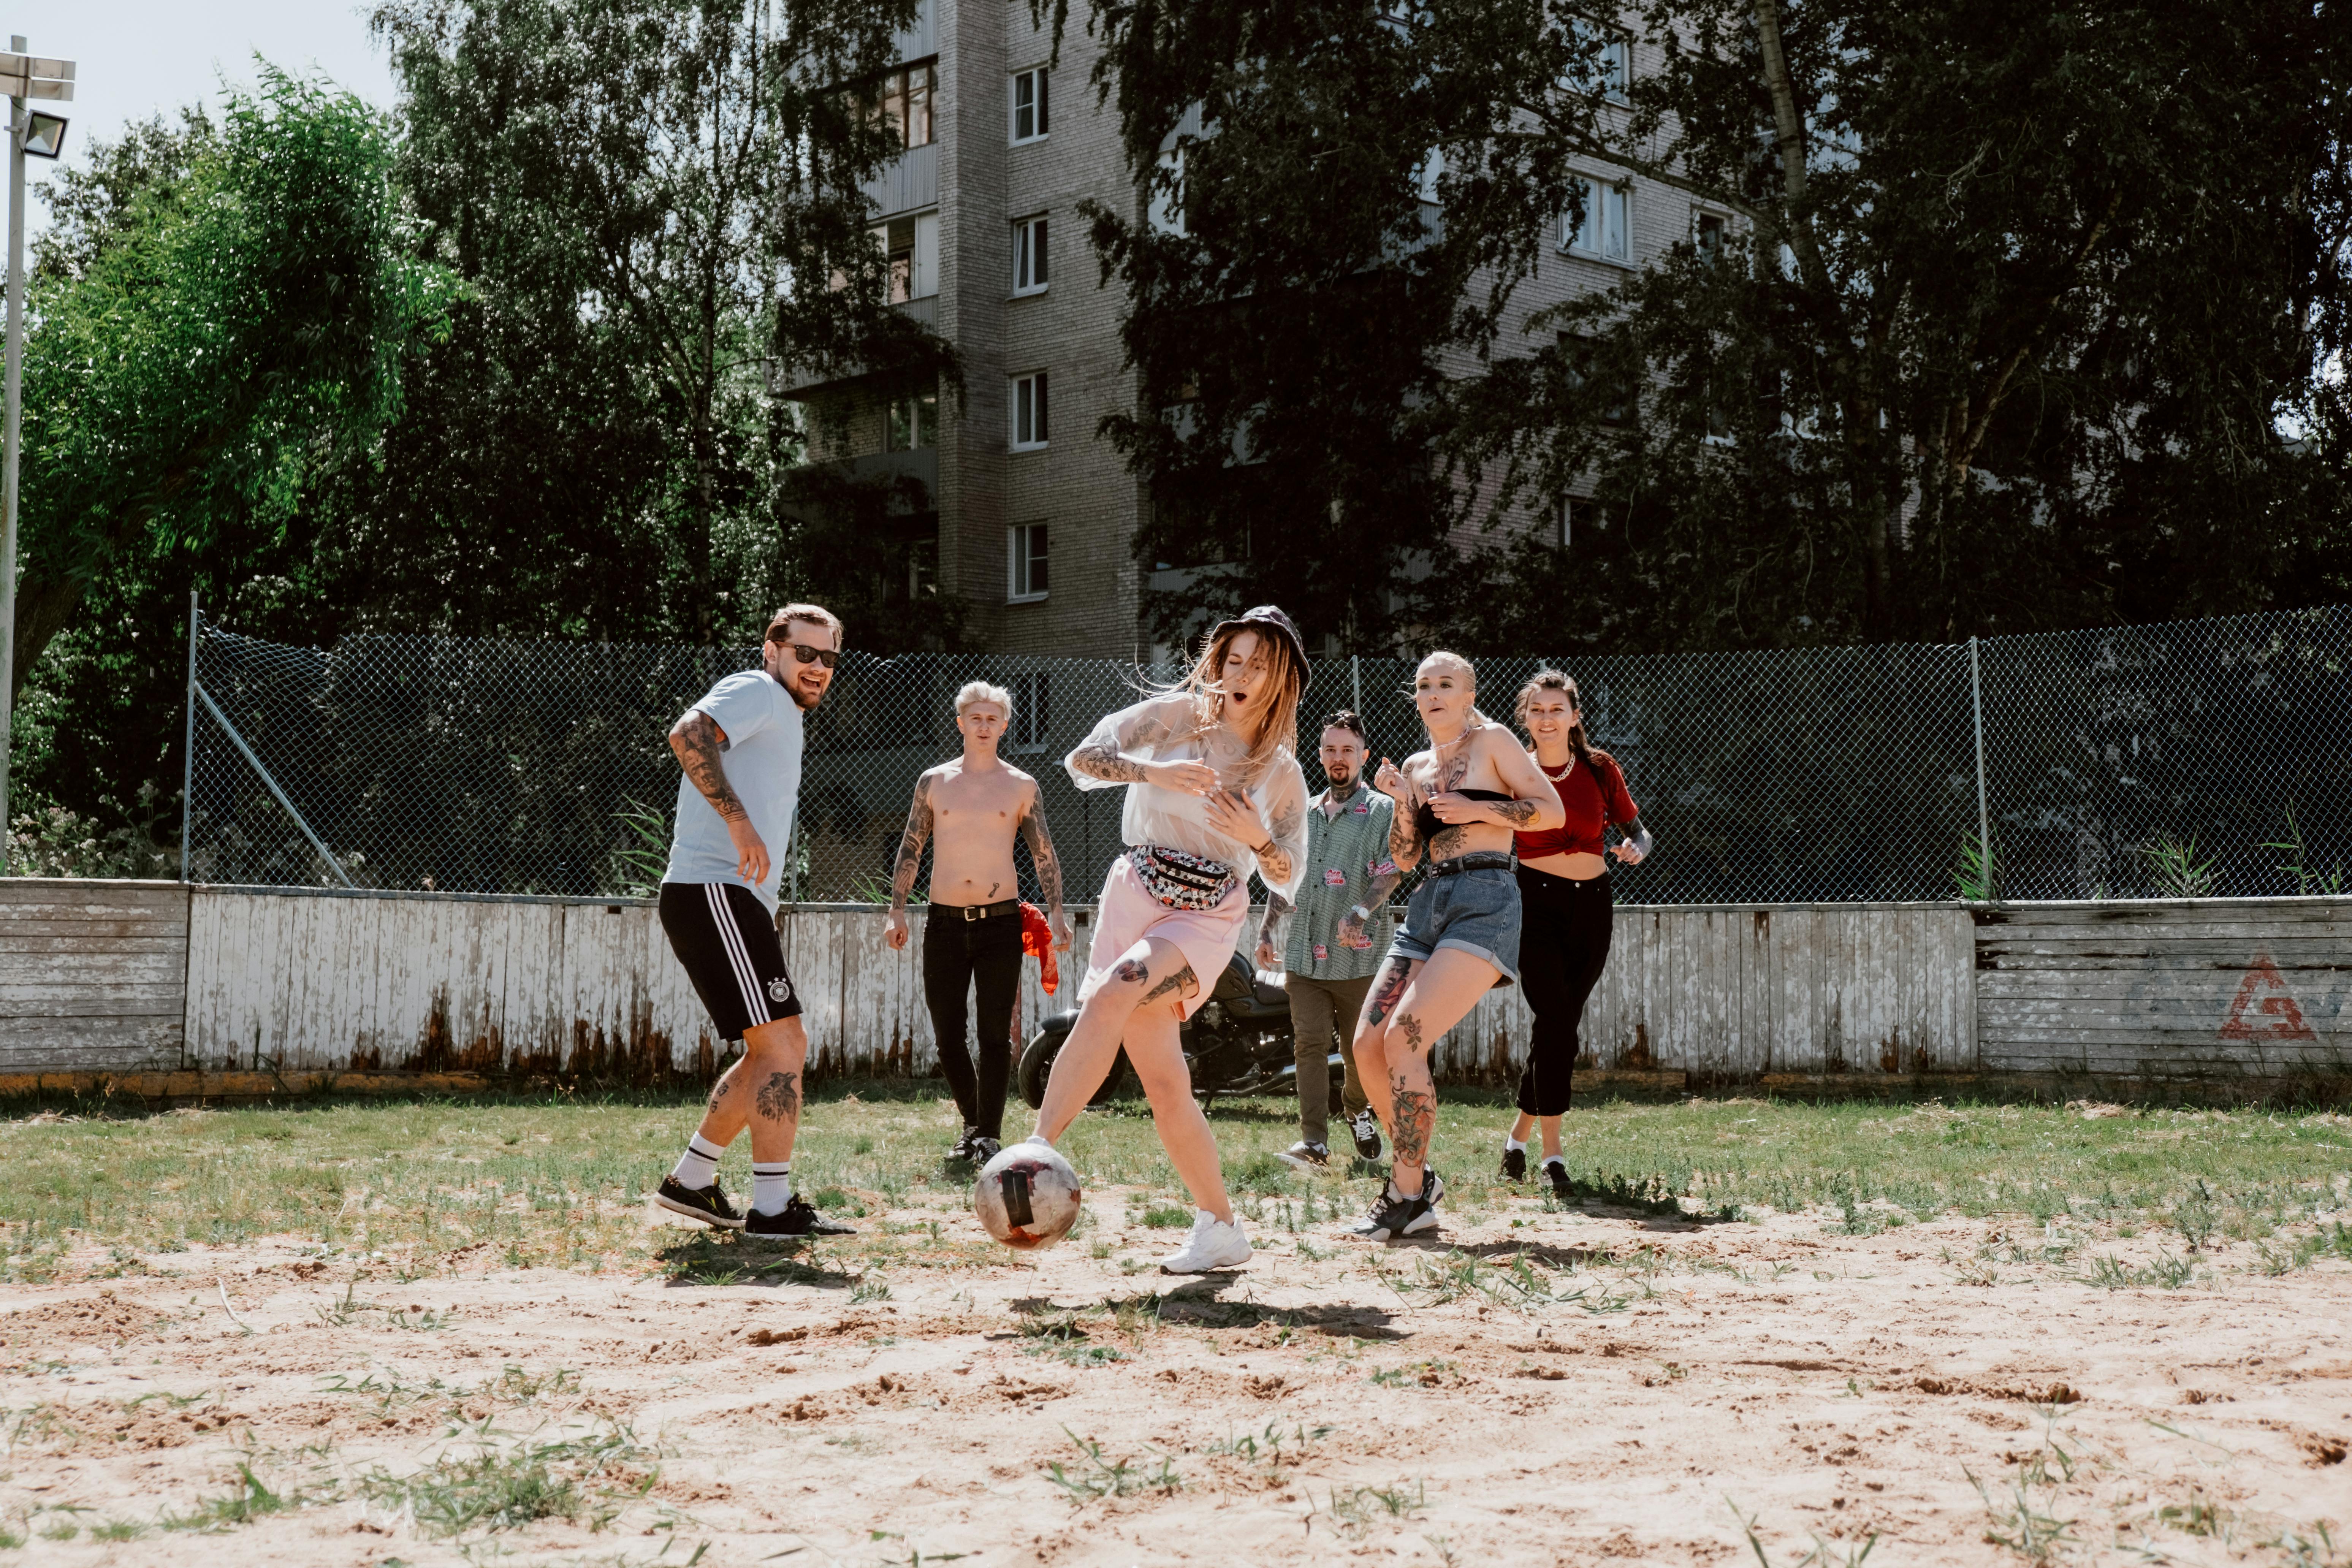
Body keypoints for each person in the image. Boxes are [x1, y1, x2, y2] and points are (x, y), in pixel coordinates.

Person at [1024, 607, 1311, 1273]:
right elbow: (1080, 760)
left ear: (1280, 682)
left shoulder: (1279, 771)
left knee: (1119, 988)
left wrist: (1256, 838)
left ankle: (1033, 1153)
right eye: (1232, 659)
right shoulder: (1174, 718)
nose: (1240, 674)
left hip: (1205, 912)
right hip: (1135, 888)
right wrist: (1156, 772)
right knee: (1163, 1082)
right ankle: (1220, 1228)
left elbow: (1288, 871)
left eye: (1257, 665)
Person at [649, 605, 857, 1239]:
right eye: (805, 653)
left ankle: (692, 1181)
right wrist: (738, 823)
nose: (817, 667)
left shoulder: (783, 712)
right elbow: (688, 734)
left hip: (725, 897)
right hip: (714, 888)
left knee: (772, 1048)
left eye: (828, 658)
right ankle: (770, 1210)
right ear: (773, 650)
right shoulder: (758, 690)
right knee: (784, 1045)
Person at [1348, 652, 1564, 1240]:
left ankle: (1407, 1195)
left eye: (1447, 683)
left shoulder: (1493, 740)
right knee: (1367, 1044)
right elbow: (1406, 856)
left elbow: (1551, 809)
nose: (1434, 693)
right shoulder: (1417, 766)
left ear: (1469, 693)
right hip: (1430, 900)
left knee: (1404, 1038)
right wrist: (1400, 801)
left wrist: (1479, 807)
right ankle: (1416, 1178)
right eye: (1423, 685)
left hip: (1486, 895)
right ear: (1415, 698)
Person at [885, 681, 1072, 1168]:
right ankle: (974, 1123)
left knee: (993, 1035)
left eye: (993, 718)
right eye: (976, 718)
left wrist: (1056, 912)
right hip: (943, 923)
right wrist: (896, 909)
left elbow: (1043, 852)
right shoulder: (934, 781)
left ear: (1005, 725)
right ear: (961, 723)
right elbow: (911, 846)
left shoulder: (1021, 785)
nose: (984, 725)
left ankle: (986, 1134)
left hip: (1000, 924)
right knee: (948, 1034)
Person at [1500, 670, 1651, 1195]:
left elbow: (1638, 829)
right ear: (1526, 716)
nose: (1547, 718)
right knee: (1557, 1019)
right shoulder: (1511, 770)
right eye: (1537, 709)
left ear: (1575, 716)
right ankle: (1552, 1156)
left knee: (1556, 1026)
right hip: (1532, 902)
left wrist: (1638, 848)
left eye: (1556, 709)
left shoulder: (1599, 767)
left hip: (1593, 905)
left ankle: (1516, 1140)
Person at [1256, 711, 1400, 1171]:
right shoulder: (1303, 812)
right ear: (1320, 754)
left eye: (1348, 751)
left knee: (1361, 1049)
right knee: (1310, 1045)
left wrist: (1361, 911)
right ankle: (1314, 1142)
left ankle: (1357, 1109)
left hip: (1357, 957)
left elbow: (1391, 870)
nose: (1338, 759)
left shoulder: (1381, 810)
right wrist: (1265, 930)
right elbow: (1285, 876)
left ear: (1364, 756)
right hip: (1303, 951)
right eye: (1331, 750)